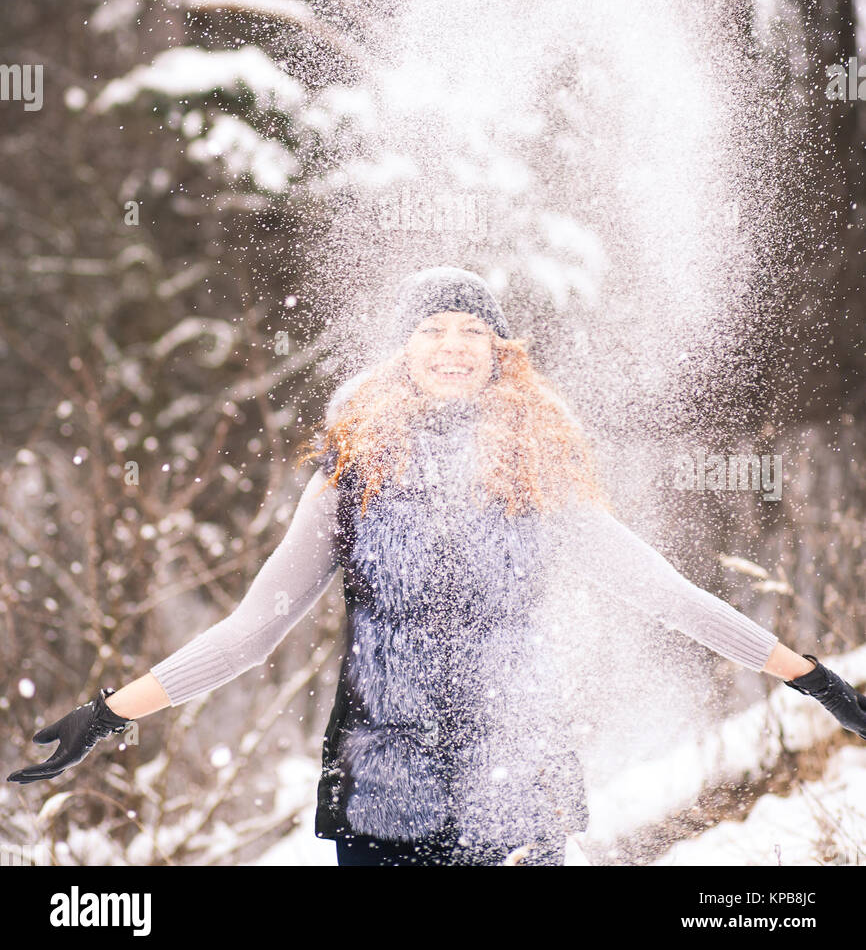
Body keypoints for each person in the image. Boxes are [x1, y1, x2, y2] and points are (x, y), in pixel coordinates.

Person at [8, 266, 866, 867]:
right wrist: (108, 713)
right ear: (401, 351)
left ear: (501, 352)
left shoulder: (539, 476)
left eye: (472, 332)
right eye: (431, 331)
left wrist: (817, 681)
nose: (453, 347)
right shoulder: (351, 477)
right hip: (382, 801)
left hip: (517, 795)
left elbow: (667, 596)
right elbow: (255, 631)